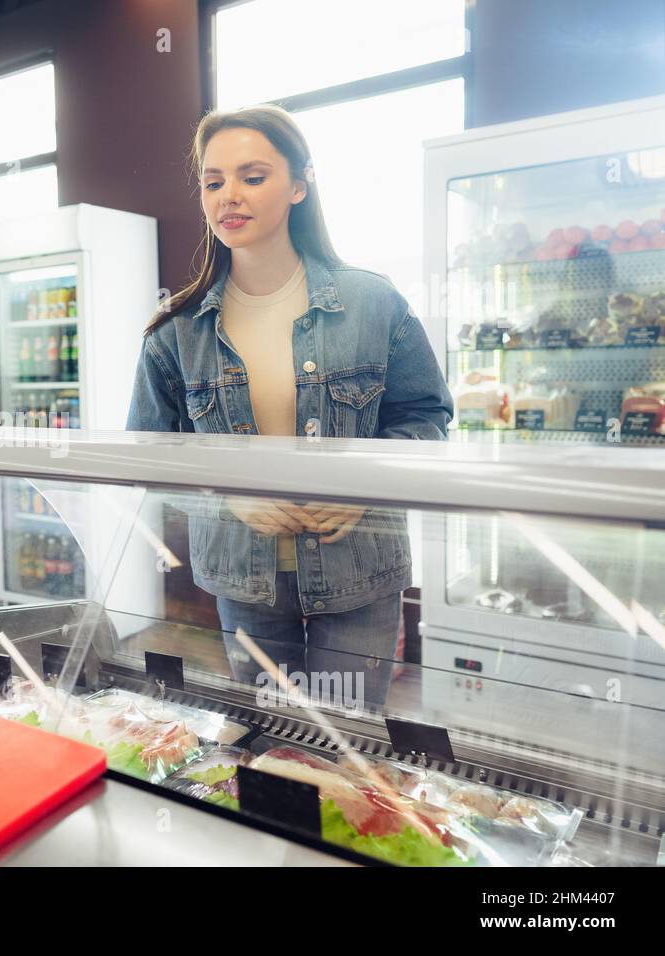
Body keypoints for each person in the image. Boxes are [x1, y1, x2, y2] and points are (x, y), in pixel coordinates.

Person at [127, 106, 453, 708]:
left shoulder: (374, 302)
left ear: (299, 185)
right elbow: (147, 455)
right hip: (244, 579)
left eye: (253, 176)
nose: (230, 195)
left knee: (348, 747)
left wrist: (363, 484)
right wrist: (228, 493)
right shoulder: (175, 332)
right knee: (273, 748)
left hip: (359, 567)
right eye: (213, 180)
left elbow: (427, 419)